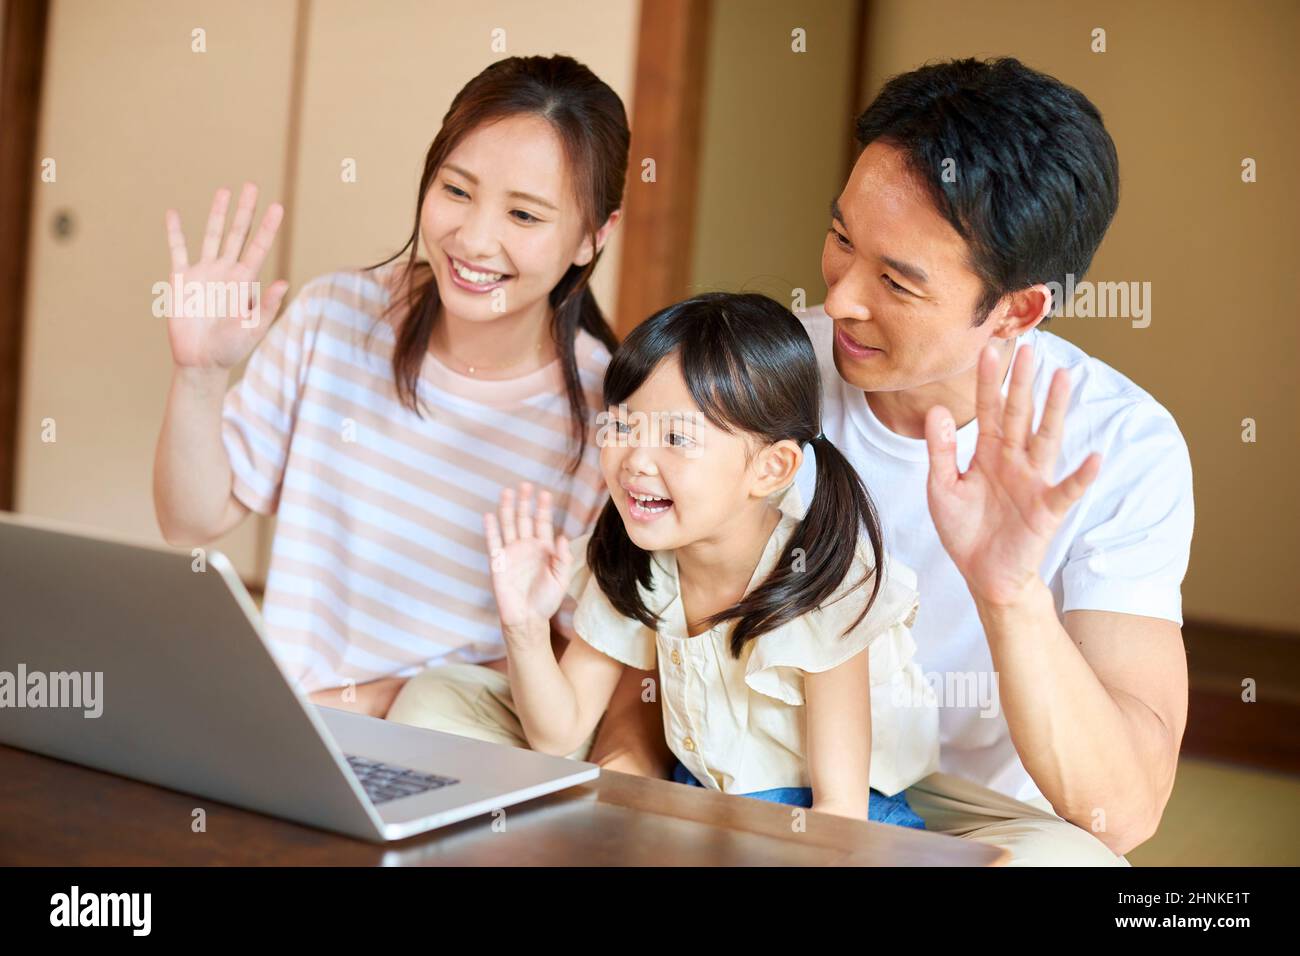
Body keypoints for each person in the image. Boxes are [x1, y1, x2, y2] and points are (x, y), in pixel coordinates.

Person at [153, 55, 627, 724]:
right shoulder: (335, 316)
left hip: (442, 742)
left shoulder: (604, 413)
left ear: (593, 236)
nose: (474, 239)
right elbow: (190, 520)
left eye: (524, 215)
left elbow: (560, 649)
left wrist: (369, 705)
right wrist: (199, 376)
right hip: (288, 728)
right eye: (456, 190)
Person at [451, 292, 940, 825]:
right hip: (704, 797)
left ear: (771, 469)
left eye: (676, 438)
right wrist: (525, 626)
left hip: (833, 818)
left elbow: (839, 811)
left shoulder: (825, 581)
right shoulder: (637, 555)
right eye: (623, 426)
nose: (636, 459)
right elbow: (559, 733)